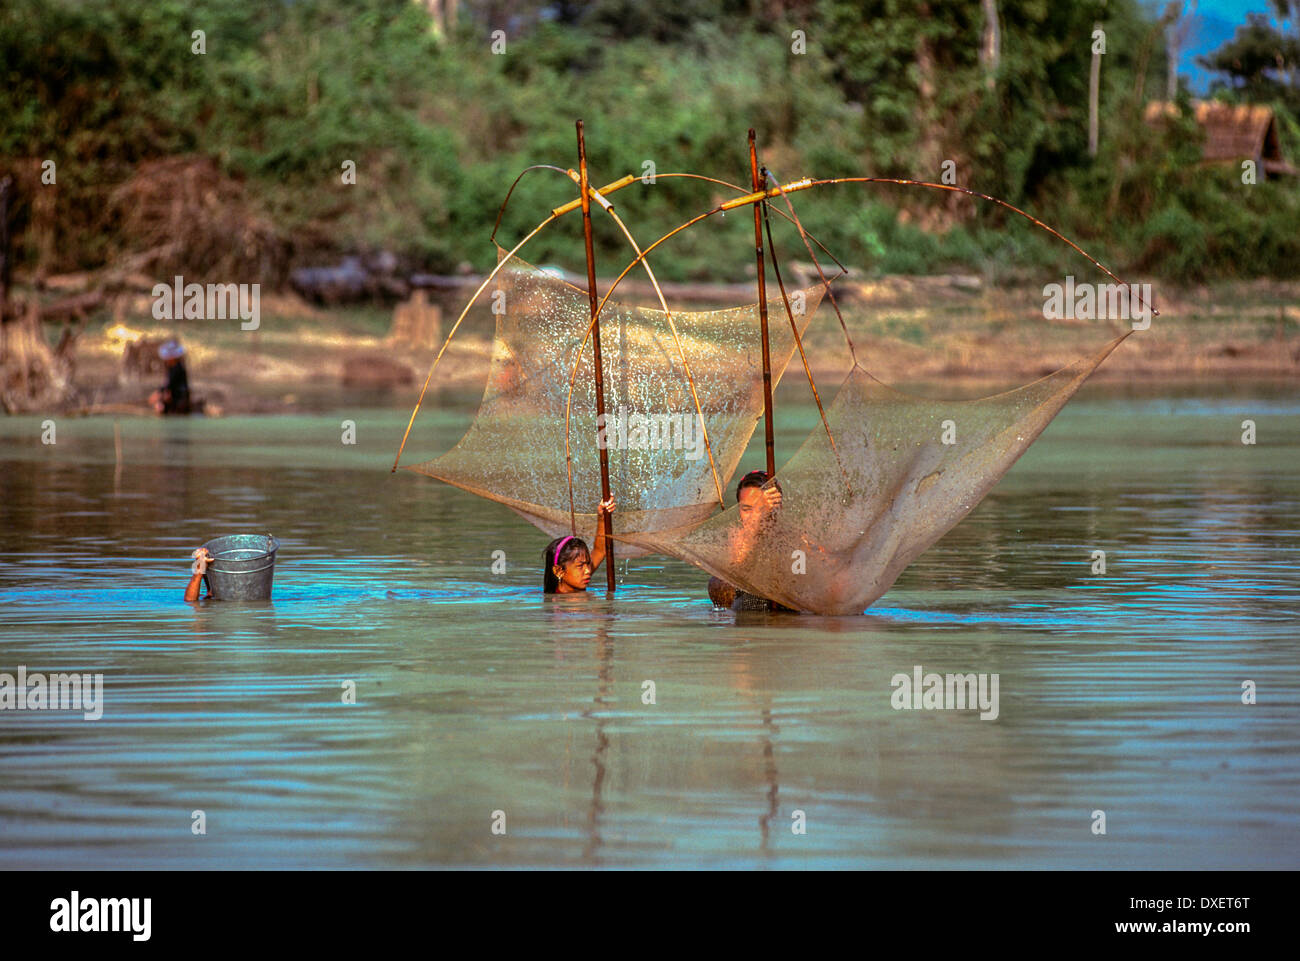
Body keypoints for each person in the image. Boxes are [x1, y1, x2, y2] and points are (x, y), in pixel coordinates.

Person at [708, 468, 785, 610]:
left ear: (778, 506)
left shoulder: (794, 538)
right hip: (746, 615)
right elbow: (735, 567)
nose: (753, 516)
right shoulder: (738, 538)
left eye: (761, 508)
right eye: (747, 509)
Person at [543, 495, 616, 593]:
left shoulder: (577, 580)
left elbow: (600, 551)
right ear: (559, 571)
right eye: (580, 566)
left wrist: (602, 517)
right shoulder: (557, 604)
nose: (588, 571)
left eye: (588, 564)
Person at [149, 339, 192, 415]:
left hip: (179, 397)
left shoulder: (177, 368)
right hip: (176, 395)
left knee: (159, 403)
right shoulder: (173, 367)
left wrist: (159, 393)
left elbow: (170, 384)